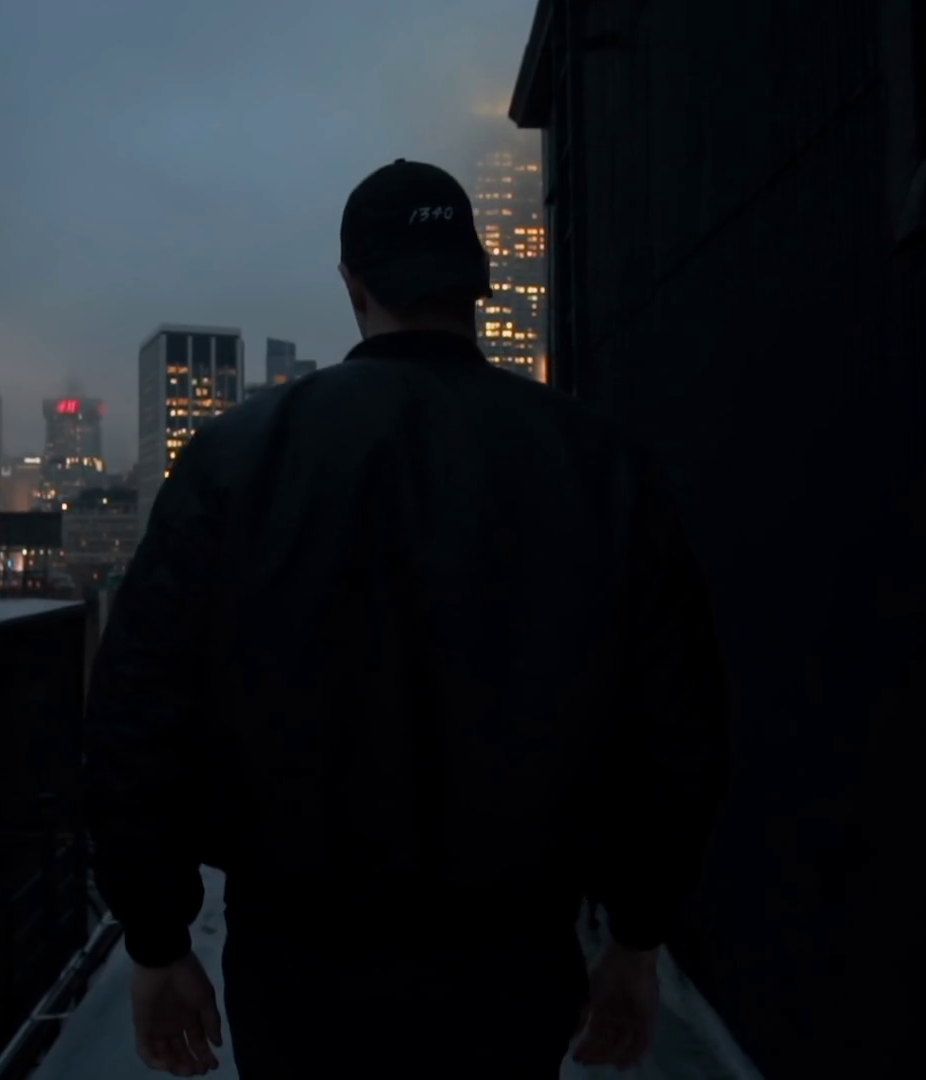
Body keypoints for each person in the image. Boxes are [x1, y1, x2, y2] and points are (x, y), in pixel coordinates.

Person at [84, 159, 731, 1078]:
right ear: (477, 280)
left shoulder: (234, 460)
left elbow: (135, 715)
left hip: (299, 964)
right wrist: (637, 937)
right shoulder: (599, 464)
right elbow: (679, 727)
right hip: (513, 958)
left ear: (354, 285)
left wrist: (156, 938)